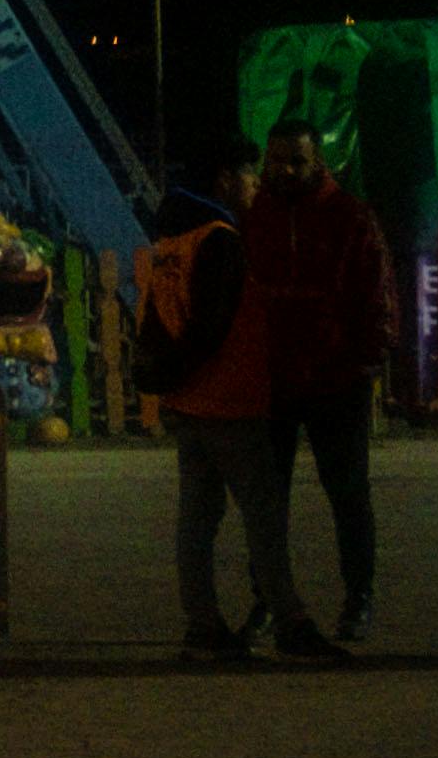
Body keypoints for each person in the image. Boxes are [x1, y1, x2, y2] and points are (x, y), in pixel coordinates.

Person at [138, 171, 332, 661]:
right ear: (223, 182)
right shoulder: (219, 240)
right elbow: (216, 322)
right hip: (229, 399)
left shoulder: (169, 244)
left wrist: (172, 379)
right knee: (264, 516)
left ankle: (202, 624)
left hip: (186, 401)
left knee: (197, 519)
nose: (253, 185)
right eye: (246, 176)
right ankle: (290, 619)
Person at [240, 115, 391, 645]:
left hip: (335, 380)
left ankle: (359, 598)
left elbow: (374, 294)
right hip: (276, 381)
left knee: (348, 494)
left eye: (296, 161)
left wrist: (362, 363)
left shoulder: (349, 216)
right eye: (276, 160)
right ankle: (269, 599)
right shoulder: (257, 217)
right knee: (267, 501)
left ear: (318, 160)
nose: (284, 170)